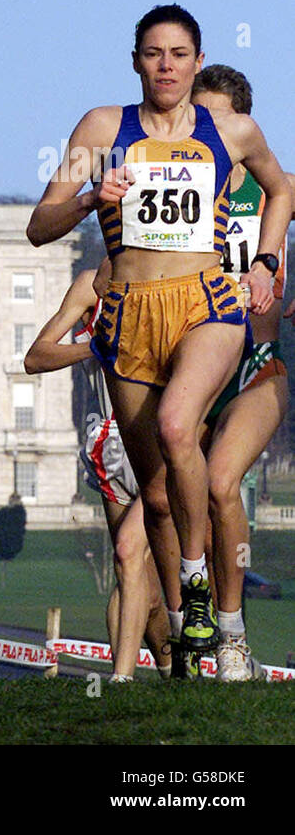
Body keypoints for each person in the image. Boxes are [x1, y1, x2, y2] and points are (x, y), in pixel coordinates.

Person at [27, 5, 291, 657]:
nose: (166, 65)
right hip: (130, 314)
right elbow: (40, 226)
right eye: (153, 53)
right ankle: (178, 629)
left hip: (205, 304)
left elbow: (281, 191)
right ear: (136, 60)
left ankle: (199, 587)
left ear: (198, 61)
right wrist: (91, 199)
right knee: (155, 492)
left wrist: (266, 262)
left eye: (179, 54)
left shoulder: (232, 131)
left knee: (179, 426)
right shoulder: (101, 127)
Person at [25, 261, 172, 681]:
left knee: (134, 557)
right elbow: (35, 357)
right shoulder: (90, 286)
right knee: (139, 578)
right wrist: (93, 349)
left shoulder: (171, 276)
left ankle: (133, 677)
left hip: (164, 445)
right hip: (111, 444)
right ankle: (156, 675)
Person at [192, 65, 291, 682]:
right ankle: (178, 644)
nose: (209, 133)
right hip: (192, 361)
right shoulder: (174, 185)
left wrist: (268, 273)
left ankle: (233, 638)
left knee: (222, 482)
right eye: (199, 120)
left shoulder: (276, 191)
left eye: (221, 120)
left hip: (258, 363)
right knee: (169, 506)